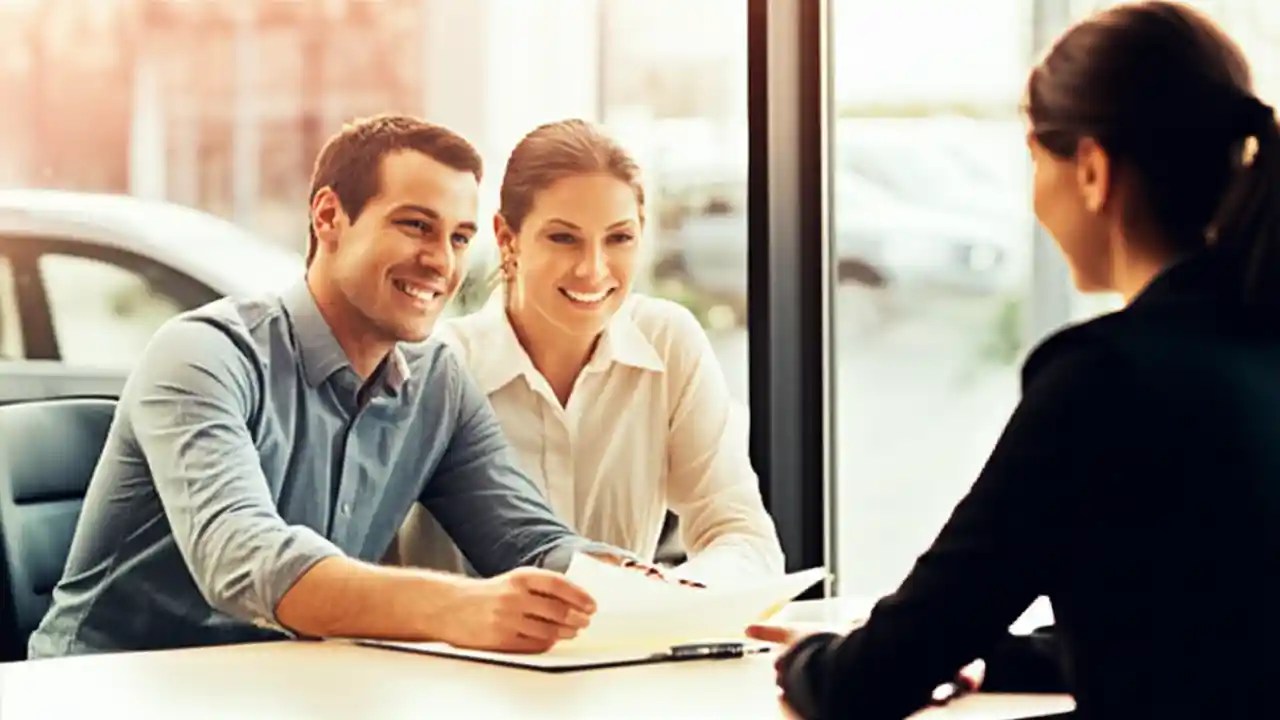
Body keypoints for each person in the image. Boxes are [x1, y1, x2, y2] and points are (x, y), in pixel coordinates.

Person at [748, 3, 1280, 718]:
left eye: (1035, 159)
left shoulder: (1104, 379)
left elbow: (877, 678)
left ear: (1091, 169)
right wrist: (992, 657)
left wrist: (809, 659)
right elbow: (1195, 626)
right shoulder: (1252, 347)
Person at [28, 114, 653, 659]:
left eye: (459, 238)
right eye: (415, 226)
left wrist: (661, 595)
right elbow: (245, 561)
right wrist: (459, 607)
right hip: (107, 689)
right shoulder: (204, 355)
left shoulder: (436, 384)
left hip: (285, 688)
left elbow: (531, 543)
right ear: (329, 216)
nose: (441, 261)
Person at [393, 119, 784, 586]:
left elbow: (743, 535)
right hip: (458, 656)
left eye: (619, 238)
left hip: (622, 648)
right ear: (506, 238)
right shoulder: (439, 366)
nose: (592, 269)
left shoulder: (667, 342)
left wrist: (679, 592)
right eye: (563, 238)